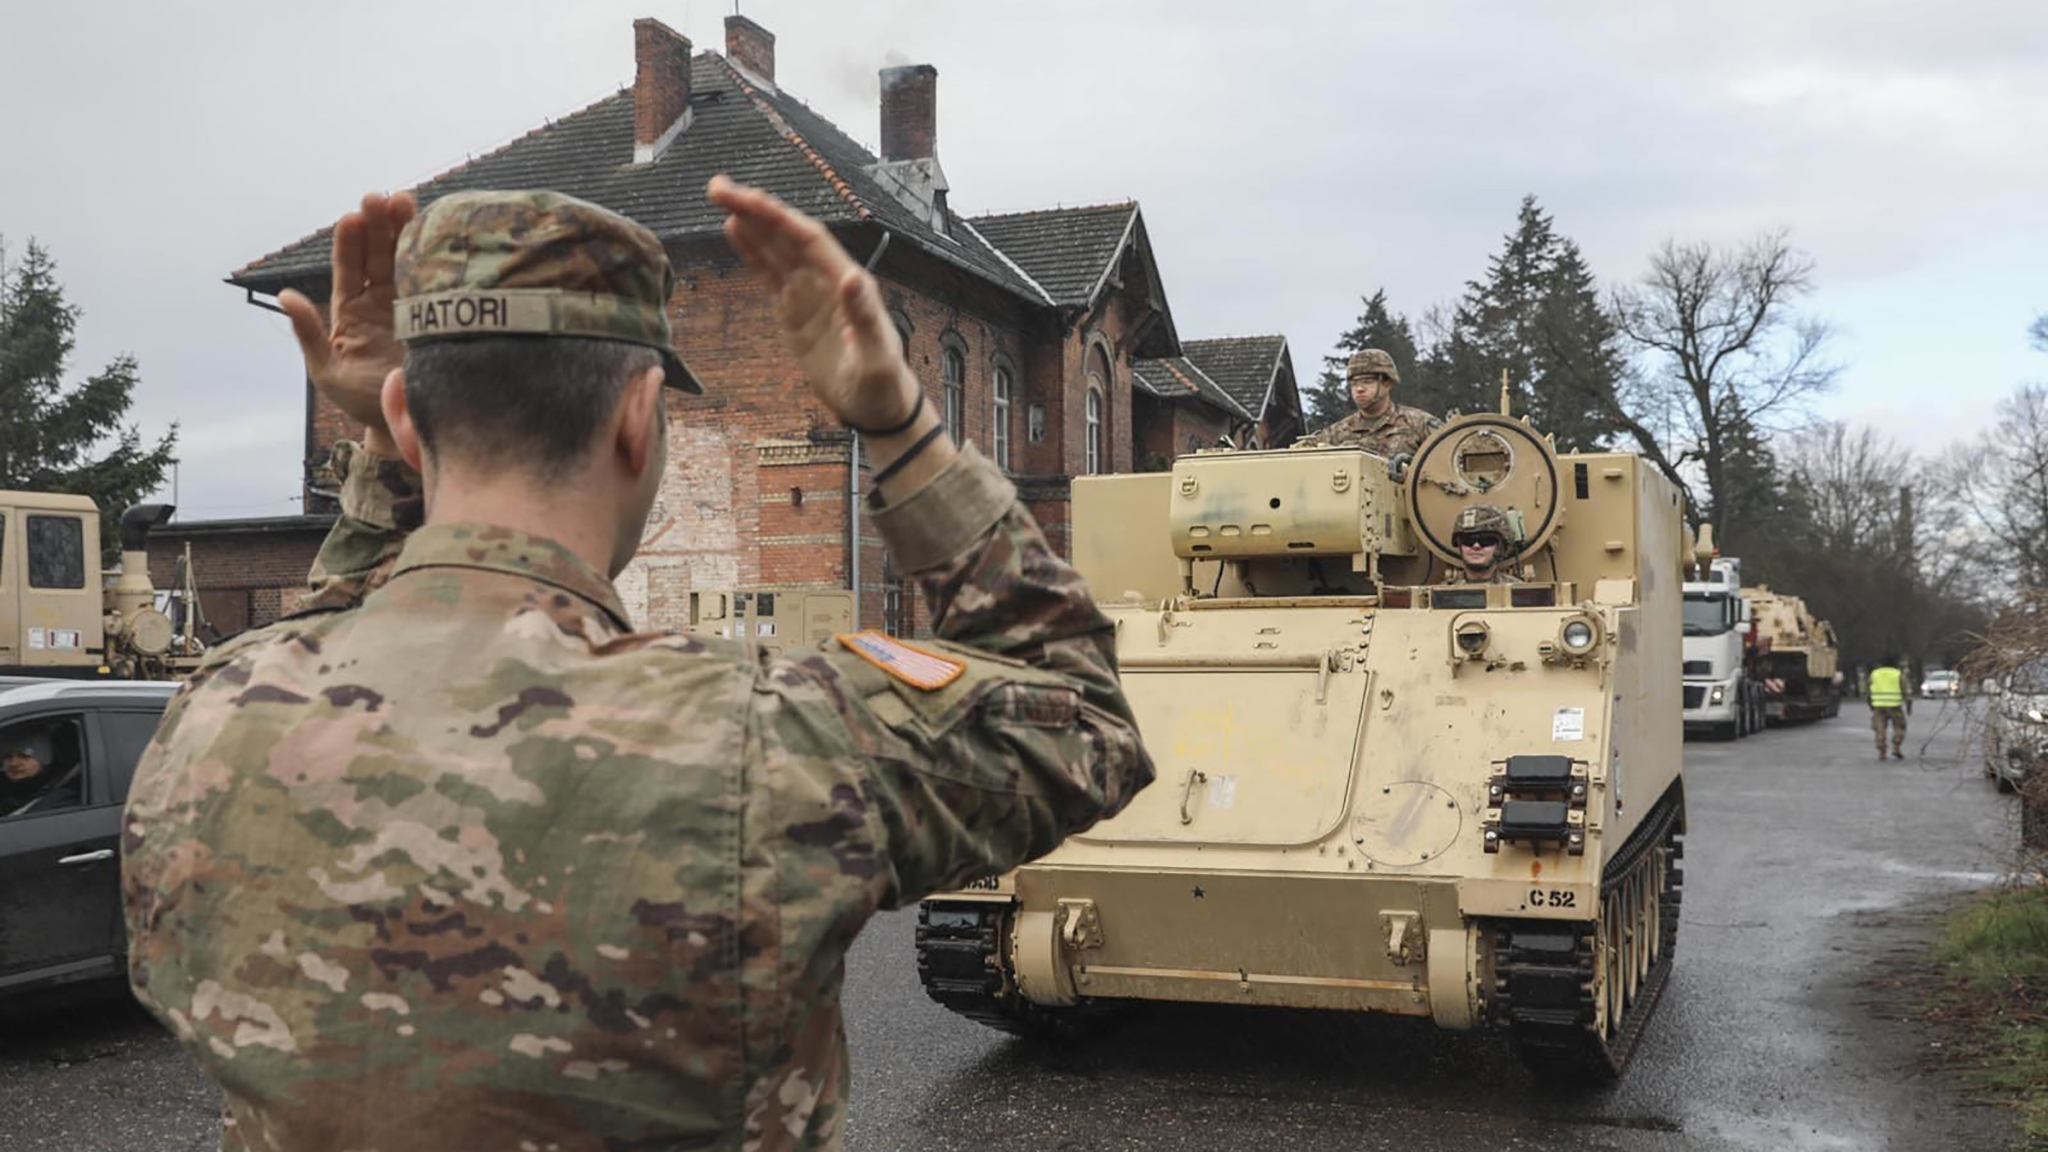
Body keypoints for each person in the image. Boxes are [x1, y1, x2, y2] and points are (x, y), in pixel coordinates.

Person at [121, 181, 1154, 1152]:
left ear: (401, 418)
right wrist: (899, 424)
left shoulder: (212, 716)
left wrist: (391, 468)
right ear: (635, 417)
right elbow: (1084, 719)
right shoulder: (767, 743)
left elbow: (339, 637)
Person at [1295, 348, 1442, 456]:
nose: (1359, 389)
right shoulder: (1337, 433)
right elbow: (1298, 458)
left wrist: (1412, 465)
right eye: (1354, 383)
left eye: (1367, 382)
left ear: (1387, 383)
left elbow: (1454, 459)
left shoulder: (1418, 424)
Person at [1441, 504, 1523, 585]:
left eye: (1486, 540)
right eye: (1468, 540)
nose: (1476, 546)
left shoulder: (1518, 591)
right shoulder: (1440, 594)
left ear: (1500, 547)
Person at [1868, 653, 1910, 759]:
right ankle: (1896, 747)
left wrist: (1870, 704)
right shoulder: (1897, 674)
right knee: (1899, 727)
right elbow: (1905, 689)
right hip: (1895, 705)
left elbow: (1869, 689)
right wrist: (1908, 702)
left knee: (1880, 729)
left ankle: (1882, 751)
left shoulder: (1875, 673)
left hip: (1879, 705)